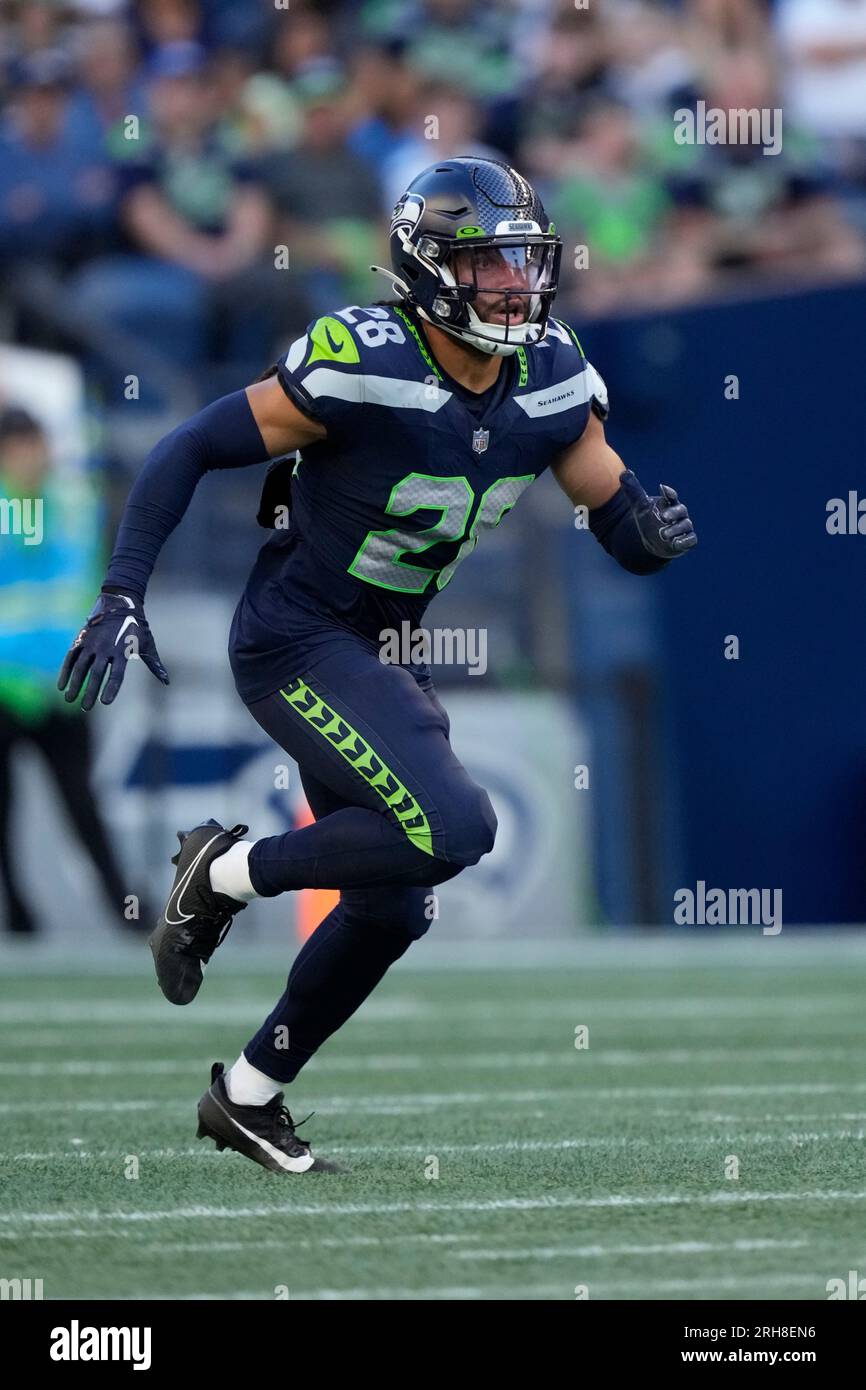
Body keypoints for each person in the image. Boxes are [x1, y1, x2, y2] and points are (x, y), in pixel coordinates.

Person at [58, 158, 697, 1174]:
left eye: (523, 263)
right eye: (488, 266)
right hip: (296, 633)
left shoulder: (548, 374)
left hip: (384, 645)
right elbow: (184, 447)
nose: (514, 287)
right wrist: (121, 592)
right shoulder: (365, 359)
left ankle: (246, 1095)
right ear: (431, 272)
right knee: (453, 826)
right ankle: (218, 872)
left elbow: (608, 507)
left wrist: (646, 532)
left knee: (394, 899)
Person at [0, 407, 146, 934]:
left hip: (63, 679)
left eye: (35, 444)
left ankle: (121, 906)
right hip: (4, 683)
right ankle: (16, 911)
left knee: (82, 801)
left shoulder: (72, 502)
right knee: (4, 809)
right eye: (20, 447)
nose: (31, 457)